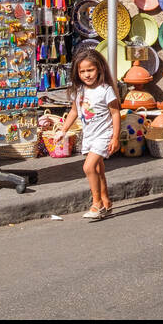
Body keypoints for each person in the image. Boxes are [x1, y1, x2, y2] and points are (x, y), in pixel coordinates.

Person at [57, 47, 120, 220]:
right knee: (98, 168)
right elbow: (74, 112)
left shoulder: (106, 90)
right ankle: (106, 200)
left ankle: (96, 203)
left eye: (90, 70)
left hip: (103, 134)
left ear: (99, 68)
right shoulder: (79, 91)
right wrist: (63, 131)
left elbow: (115, 113)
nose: (87, 75)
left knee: (88, 167)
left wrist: (115, 137)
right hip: (89, 135)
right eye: (82, 71)